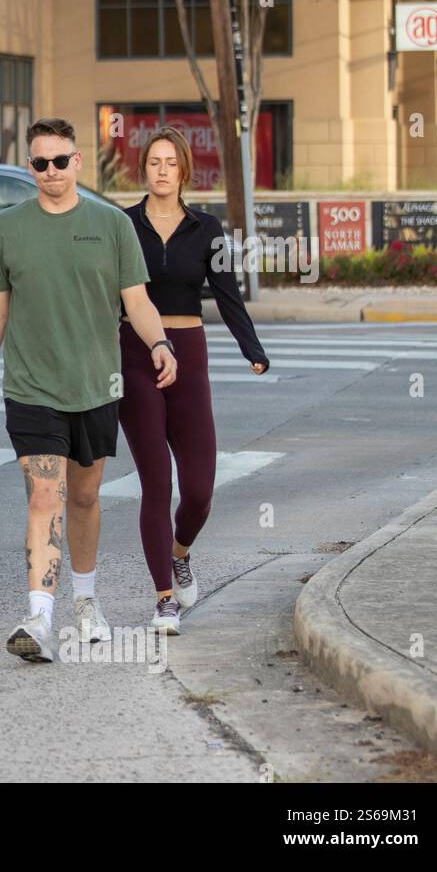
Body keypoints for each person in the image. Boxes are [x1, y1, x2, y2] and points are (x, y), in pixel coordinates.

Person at [0, 117, 178, 663]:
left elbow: (137, 300)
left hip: (97, 386)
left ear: (78, 162)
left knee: (85, 496)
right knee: (44, 496)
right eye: (39, 163)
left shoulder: (112, 225)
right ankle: (39, 617)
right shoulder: (6, 229)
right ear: (30, 168)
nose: (49, 171)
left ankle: (87, 602)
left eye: (59, 160)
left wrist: (160, 344)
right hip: (32, 388)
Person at [119, 126, 271, 634]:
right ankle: (164, 597)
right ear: (144, 169)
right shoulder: (123, 226)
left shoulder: (207, 229)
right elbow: (103, 297)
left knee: (201, 489)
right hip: (135, 355)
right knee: (156, 483)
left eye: (170, 163)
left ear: (184, 170)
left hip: (190, 353)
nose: (162, 170)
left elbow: (227, 294)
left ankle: (179, 553)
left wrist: (252, 348)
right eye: (154, 162)